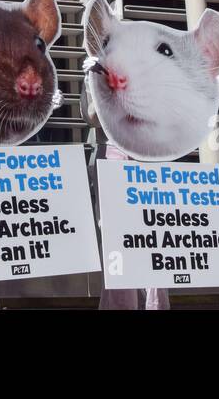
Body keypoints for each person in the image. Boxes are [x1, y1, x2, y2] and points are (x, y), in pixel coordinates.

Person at [82, 81, 170, 310]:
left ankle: (156, 306)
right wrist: (97, 81)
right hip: (113, 158)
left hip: (149, 157)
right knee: (117, 245)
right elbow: (90, 116)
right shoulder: (96, 68)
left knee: (154, 238)